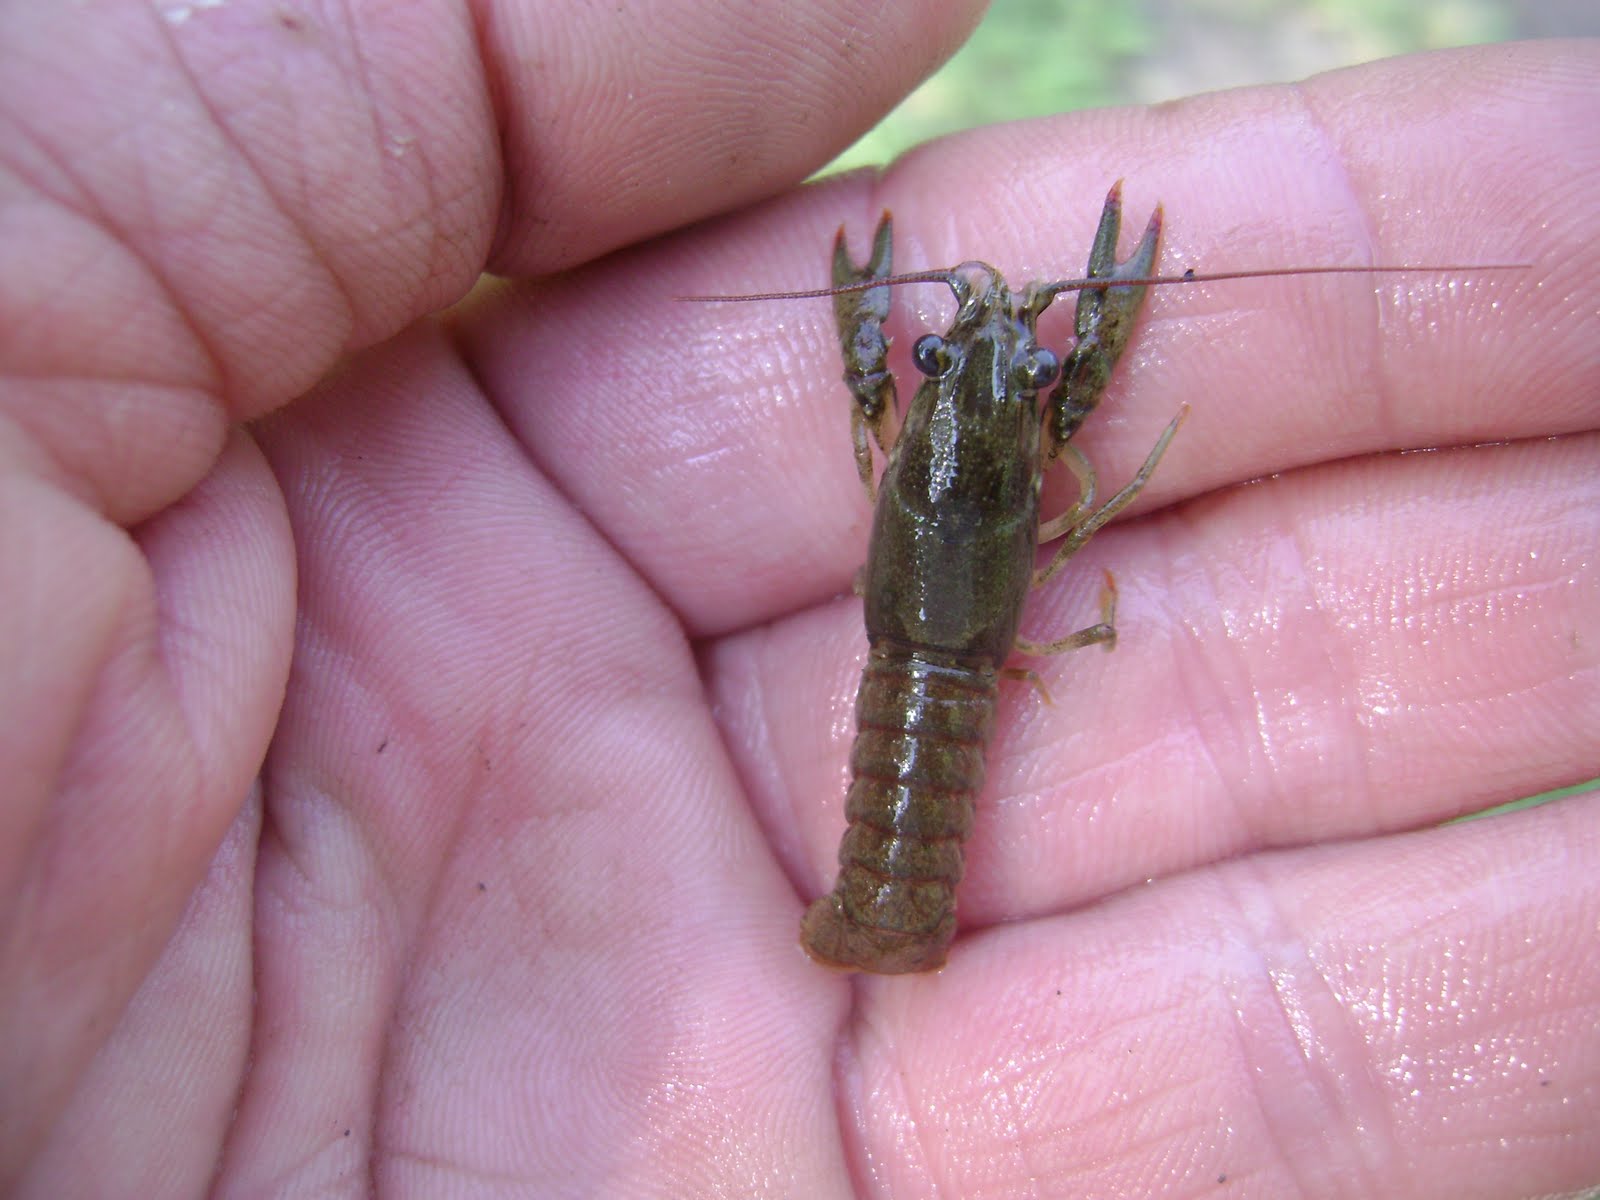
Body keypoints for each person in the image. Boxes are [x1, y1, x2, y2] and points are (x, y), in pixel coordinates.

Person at [3, 3, 1596, 1191]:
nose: (986, 351)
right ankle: (891, 910)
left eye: (994, 362)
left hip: (939, 670)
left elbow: (920, 423)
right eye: (965, 361)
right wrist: (1042, 384)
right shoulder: (1018, 452)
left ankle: (890, 908)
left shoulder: (908, 441)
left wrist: (921, 366)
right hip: (944, 667)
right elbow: (1044, 459)